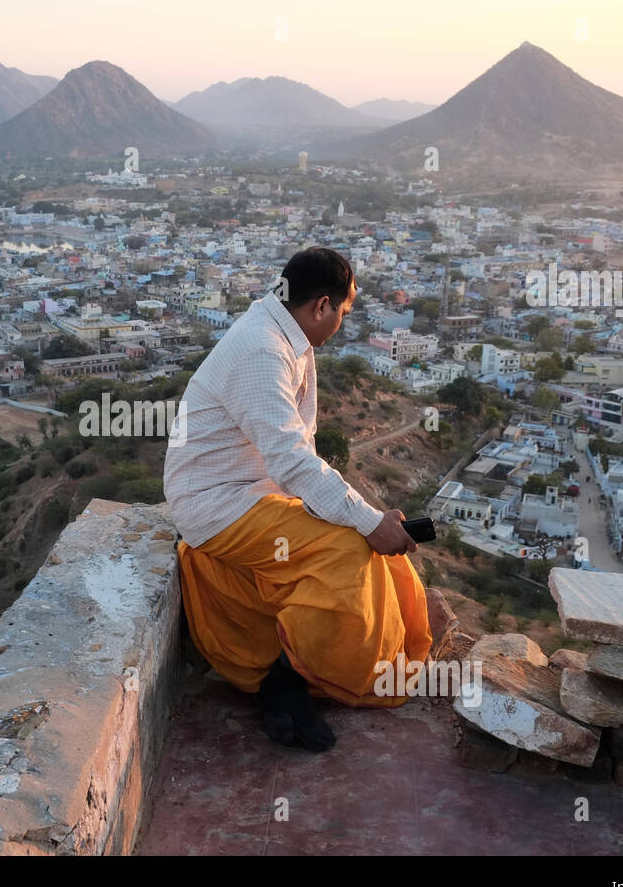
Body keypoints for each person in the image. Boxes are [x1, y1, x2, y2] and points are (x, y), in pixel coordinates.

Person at [163, 247, 431, 752]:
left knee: (361, 541)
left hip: (251, 495)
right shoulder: (263, 350)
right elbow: (291, 460)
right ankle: (284, 685)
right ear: (322, 306)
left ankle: (304, 666)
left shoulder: (284, 336)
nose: (343, 324)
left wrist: (364, 516)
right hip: (217, 504)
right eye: (345, 313)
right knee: (347, 550)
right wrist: (367, 521)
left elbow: (295, 456)